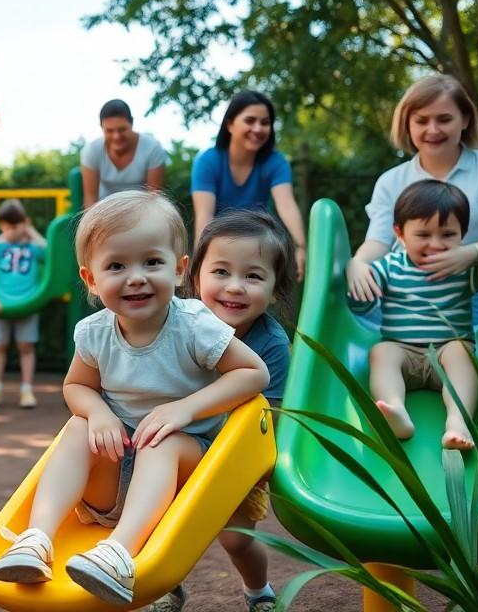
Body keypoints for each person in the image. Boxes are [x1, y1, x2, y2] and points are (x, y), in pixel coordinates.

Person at [0, 190, 268, 605]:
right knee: (78, 425)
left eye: (151, 262)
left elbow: (254, 373)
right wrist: (98, 412)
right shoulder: (94, 332)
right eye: (116, 265)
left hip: (188, 476)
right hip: (116, 477)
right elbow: (76, 387)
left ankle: (120, 553)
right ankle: (38, 538)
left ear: (179, 271)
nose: (135, 276)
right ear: (91, 279)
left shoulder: (194, 325)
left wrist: (183, 409)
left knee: (162, 440)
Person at [144, 210, 296, 612]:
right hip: (179, 445)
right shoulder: (177, 323)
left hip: (237, 459)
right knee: (158, 521)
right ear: (195, 277)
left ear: (275, 291)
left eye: (253, 276)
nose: (235, 287)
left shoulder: (272, 345)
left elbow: (272, 416)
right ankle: (163, 586)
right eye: (221, 272)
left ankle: (258, 589)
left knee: (236, 540)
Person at [347, 74, 478, 326]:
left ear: (465, 120)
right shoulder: (391, 181)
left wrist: (469, 254)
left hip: (471, 294)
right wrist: (358, 261)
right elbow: (378, 241)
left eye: (444, 119)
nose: (433, 130)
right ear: (408, 125)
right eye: (421, 121)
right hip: (404, 294)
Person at [348, 180, 478, 450]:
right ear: (400, 233)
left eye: (448, 234)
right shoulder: (390, 267)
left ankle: (458, 422)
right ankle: (395, 411)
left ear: (463, 233)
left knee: (461, 352)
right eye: (423, 235)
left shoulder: (463, 269)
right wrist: (358, 277)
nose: (436, 244)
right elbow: (360, 304)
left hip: (447, 352)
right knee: (382, 352)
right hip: (404, 352)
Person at [190, 90, 308, 280]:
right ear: (230, 124)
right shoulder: (208, 161)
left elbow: (286, 204)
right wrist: (199, 261)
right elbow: (205, 215)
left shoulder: (276, 162)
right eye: (250, 120)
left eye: (265, 123)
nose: (258, 128)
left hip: (259, 247)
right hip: (220, 247)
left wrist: (301, 246)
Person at [0, 199, 46, 408]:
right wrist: (4, 236)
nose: (12, 230)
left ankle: (27, 390)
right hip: (2, 304)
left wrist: (32, 232)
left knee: (26, 346)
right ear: (2, 227)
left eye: (16, 225)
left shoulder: (33, 246)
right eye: (7, 226)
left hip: (27, 302)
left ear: (25, 223)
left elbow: (48, 253)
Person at [81, 99, 169, 207]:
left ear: (131, 124)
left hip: (141, 211)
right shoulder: (92, 150)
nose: (116, 136)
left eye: (122, 129)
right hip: (104, 211)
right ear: (101, 127)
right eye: (109, 130)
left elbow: (154, 198)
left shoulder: (152, 148)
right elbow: (90, 199)